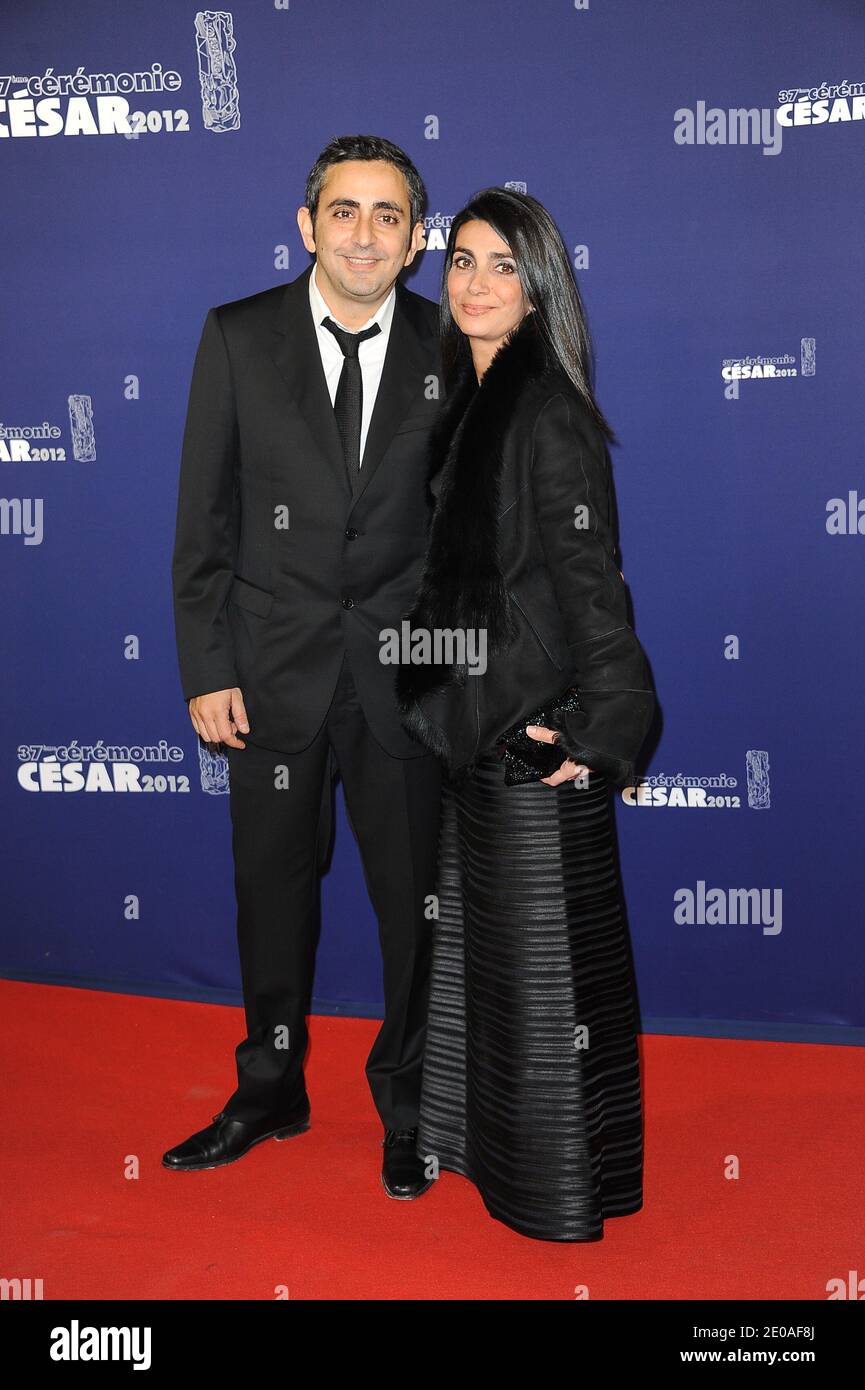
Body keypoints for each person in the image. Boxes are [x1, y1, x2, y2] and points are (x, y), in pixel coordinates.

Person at [165, 135, 444, 1201]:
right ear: (306, 224)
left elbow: (465, 542)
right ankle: (270, 1085)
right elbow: (204, 521)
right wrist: (206, 663)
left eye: (387, 215)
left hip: (405, 688)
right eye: (344, 211)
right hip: (270, 677)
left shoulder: (448, 344)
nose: (364, 234)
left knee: (412, 907)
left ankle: (409, 1106)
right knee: (270, 898)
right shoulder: (237, 337)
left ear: (415, 237)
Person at [395, 187, 657, 1241]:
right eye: (460, 259)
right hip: (482, 728)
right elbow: (469, 589)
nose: (473, 282)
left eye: (503, 265)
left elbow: (595, 589)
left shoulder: (546, 414)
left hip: (532, 736)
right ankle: (504, 1168)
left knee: (552, 993)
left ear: (541, 285)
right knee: (497, 975)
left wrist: (601, 733)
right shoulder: (475, 398)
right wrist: (420, 680)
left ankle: (561, 1196)